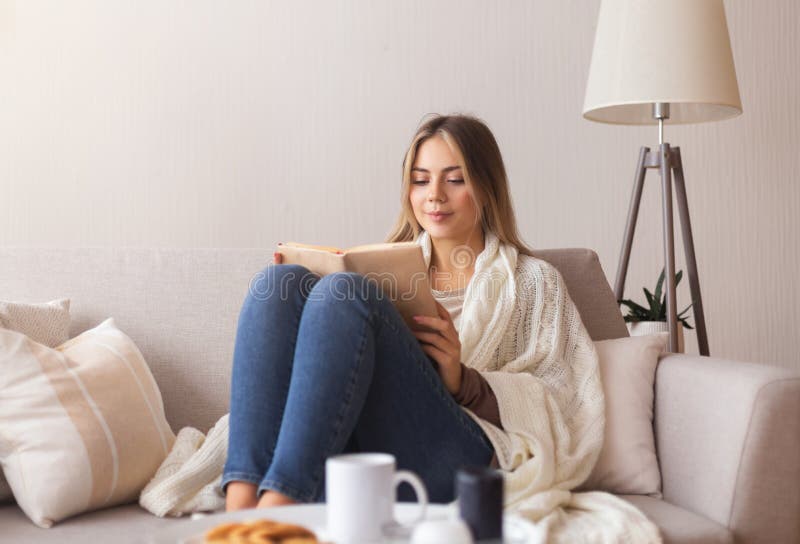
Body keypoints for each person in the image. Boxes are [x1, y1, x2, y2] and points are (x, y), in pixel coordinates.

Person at [222, 113, 603, 515]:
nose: (434, 195)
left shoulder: (533, 281)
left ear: (487, 188)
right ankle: (241, 505)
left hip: (458, 455)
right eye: (421, 180)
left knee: (343, 292)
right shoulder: (381, 271)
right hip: (364, 445)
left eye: (454, 180)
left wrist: (463, 382)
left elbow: (560, 400)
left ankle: (279, 510)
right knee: (280, 285)